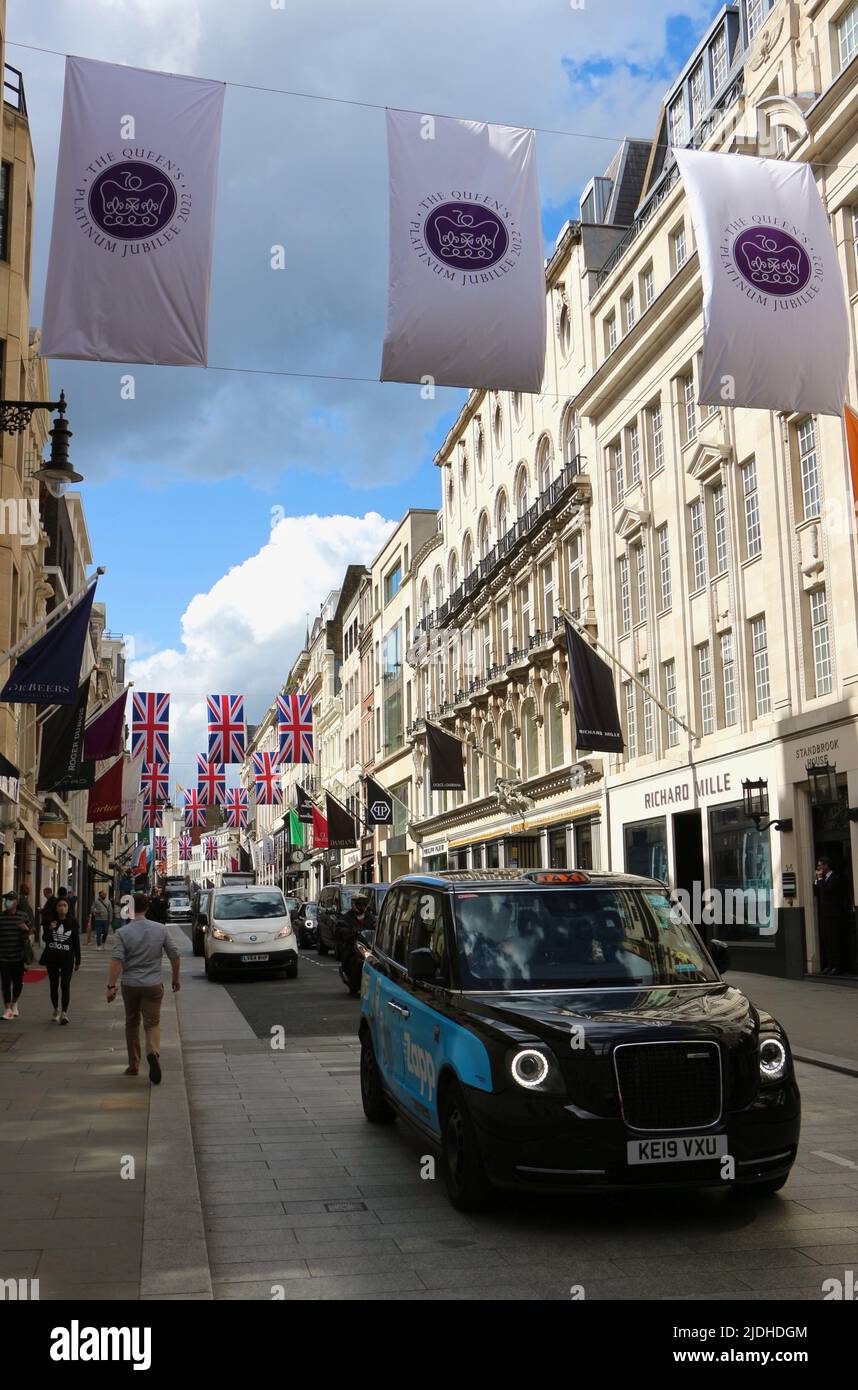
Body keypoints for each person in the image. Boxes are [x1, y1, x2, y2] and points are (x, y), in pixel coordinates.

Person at [107, 892, 181, 1082]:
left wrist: (111, 986)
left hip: (130, 984)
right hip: (153, 983)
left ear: (129, 909)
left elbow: (117, 960)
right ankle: (153, 1051)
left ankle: (133, 1064)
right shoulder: (160, 929)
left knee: (131, 1022)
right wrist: (175, 978)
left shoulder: (122, 933)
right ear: (147, 907)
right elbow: (174, 954)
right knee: (152, 1023)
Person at [42, 897, 81, 1024]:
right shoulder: (50, 921)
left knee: (65, 985)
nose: (62, 907)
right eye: (59, 905)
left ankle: (64, 1012)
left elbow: (76, 943)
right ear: (56, 907)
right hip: (52, 958)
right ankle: (55, 1009)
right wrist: (50, 929)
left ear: (68, 907)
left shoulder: (72, 922)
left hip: (67, 959)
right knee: (53, 985)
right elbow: (45, 939)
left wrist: (78, 960)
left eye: (64, 905)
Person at [814, 857, 850, 975]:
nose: (818, 868)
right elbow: (817, 893)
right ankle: (829, 965)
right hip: (824, 914)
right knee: (827, 940)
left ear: (826, 866)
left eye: (820, 866)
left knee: (834, 941)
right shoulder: (823, 879)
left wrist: (819, 879)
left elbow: (827, 891)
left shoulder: (835, 879)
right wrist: (817, 880)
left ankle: (837, 966)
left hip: (833, 915)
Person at [0, 891, 31, 1020]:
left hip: (18, 956)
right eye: (5, 900)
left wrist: (26, 929)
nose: (6, 902)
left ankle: (14, 1003)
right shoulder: (1, 917)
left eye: (9, 900)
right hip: (3, 956)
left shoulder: (23, 916)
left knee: (18, 983)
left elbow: (30, 931)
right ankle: (7, 1009)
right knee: (5, 984)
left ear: (15, 902)